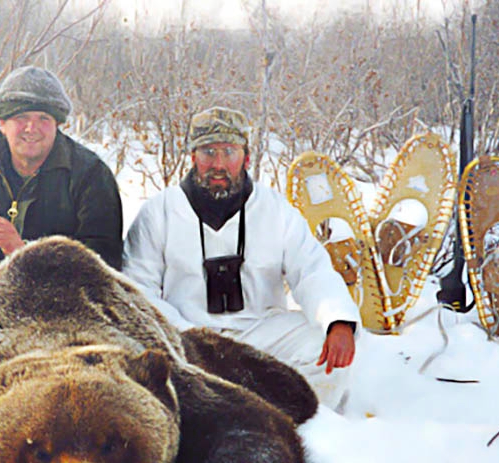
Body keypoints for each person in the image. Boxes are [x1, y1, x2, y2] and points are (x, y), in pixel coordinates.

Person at [123, 106, 360, 410]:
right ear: (193, 156)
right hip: (188, 339)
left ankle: (300, 429)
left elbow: (312, 270)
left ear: (246, 157)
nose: (218, 164)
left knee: (325, 348)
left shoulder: (276, 211)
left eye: (229, 152)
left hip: (261, 333)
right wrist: (186, 336)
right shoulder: (159, 212)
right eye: (208, 152)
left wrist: (337, 321)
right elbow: (139, 289)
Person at [0, 66, 123, 335]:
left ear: (57, 124)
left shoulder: (90, 175)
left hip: (64, 302)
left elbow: (103, 262)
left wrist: (24, 253)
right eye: (21, 117)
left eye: (43, 118)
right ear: (2, 124)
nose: (32, 128)